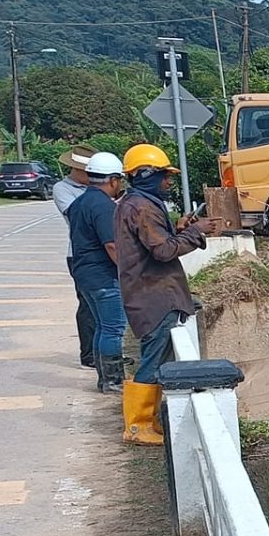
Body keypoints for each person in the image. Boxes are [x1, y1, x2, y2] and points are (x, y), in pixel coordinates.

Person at [113, 143, 218, 445]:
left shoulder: (137, 203)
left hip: (151, 292)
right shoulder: (142, 207)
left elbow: (155, 239)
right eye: (165, 176)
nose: (169, 182)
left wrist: (179, 227)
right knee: (153, 360)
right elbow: (163, 250)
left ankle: (147, 421)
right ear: (147, 175)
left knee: (156, 358)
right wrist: (195, 231)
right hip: (153, 295)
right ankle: (137, 426)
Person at [65, 152, 130, 393]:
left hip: (84, 273)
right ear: (113, 180)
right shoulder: (103, 206)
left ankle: (105, 379)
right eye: (119, 181)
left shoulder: (79, 203)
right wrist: (128, 271)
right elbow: (112, 245)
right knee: (113, 328)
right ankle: (112, 380)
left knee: (102, 326)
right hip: (103, 276)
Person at [54, 145, 97, 367]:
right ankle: (88, 354)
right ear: (75, 170)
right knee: (88, 304)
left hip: (103, 252)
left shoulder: (97, 187)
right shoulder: (62, 189)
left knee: (107, 306)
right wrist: (97, 194)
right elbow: (77, 215)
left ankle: (105, 354)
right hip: (79, 254)